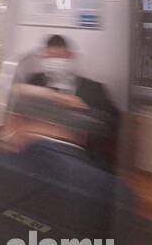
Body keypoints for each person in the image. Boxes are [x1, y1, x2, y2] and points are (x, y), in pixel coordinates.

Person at [18, 34, 119, 169]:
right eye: (50, 57)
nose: (55, 62)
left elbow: (112, 124)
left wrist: (84, 109)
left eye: (61, 57)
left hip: (81, 159)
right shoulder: (34, 82)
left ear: (71, 56)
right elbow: (21, 112)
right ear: (43, 58)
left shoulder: (93, 88)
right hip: (39, 156)